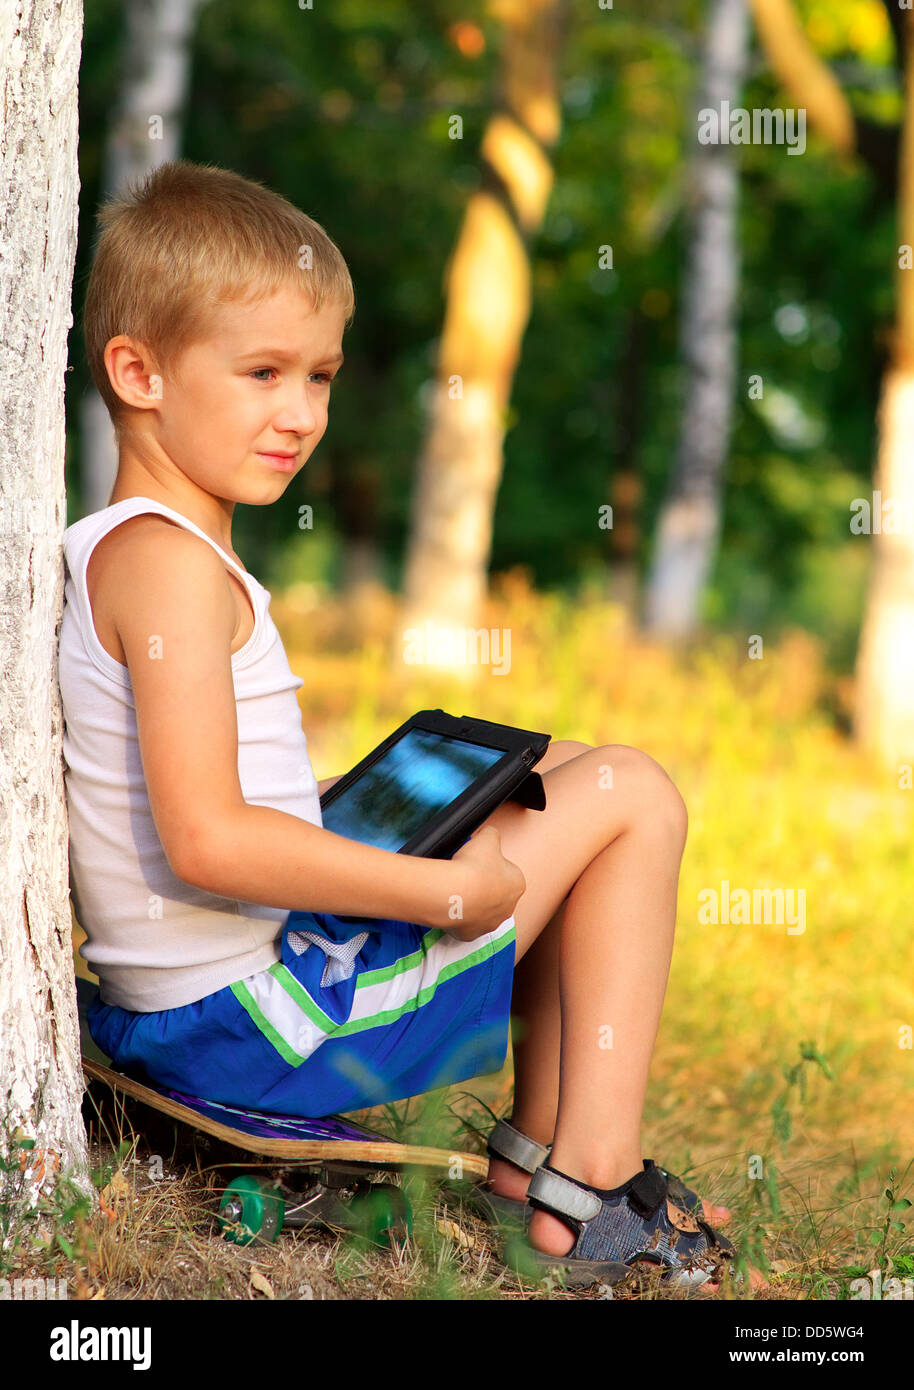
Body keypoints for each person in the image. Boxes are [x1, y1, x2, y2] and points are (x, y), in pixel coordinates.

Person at [60, 160, 737, 1291]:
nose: (302, 413)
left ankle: (543, 1161)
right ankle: (586, 1185)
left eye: (319, 375)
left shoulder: (124, 545)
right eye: (263, 371)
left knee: (557, 772)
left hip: (196, 1002)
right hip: (255, 1026)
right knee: (632, 795)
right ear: (138, 371)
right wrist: (445, 895)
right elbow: (208, 843)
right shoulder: (170, 569)